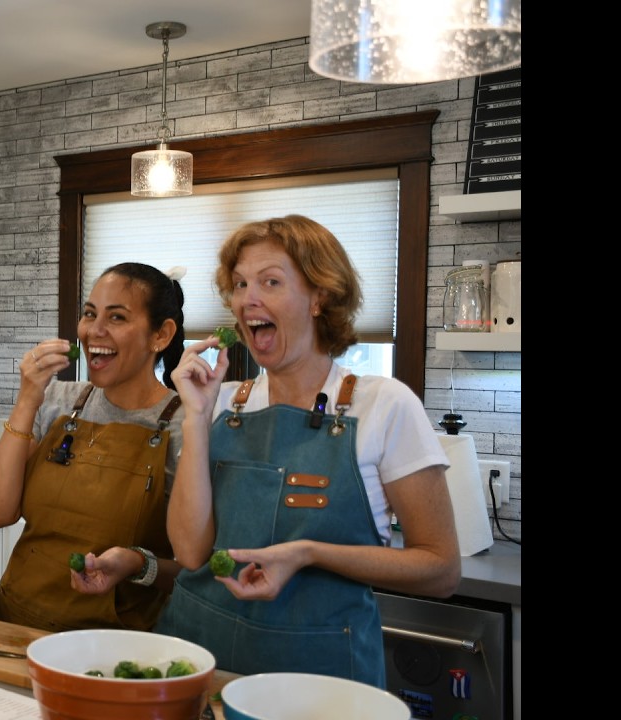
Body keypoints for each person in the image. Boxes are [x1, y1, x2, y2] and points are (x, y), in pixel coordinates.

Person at [157, 214, 461, 688]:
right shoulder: (220, 402)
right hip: (200, 662)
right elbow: (192, 552)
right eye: (239, 284)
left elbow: (440, 569)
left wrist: (308, 553)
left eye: (270, 281)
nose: (247, 298)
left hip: (322, 682)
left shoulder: (383, 404)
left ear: (320, 296)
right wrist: (195, 417)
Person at [0, 262, 188, 633]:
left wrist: (137, 563)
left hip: (113, 645)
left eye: (117, 317)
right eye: (89, 314)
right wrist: (28, 399)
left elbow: (193, 569)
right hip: (15, 626)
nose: (94, 331)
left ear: (161, 334)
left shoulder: (186, 425)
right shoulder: (57, 400)